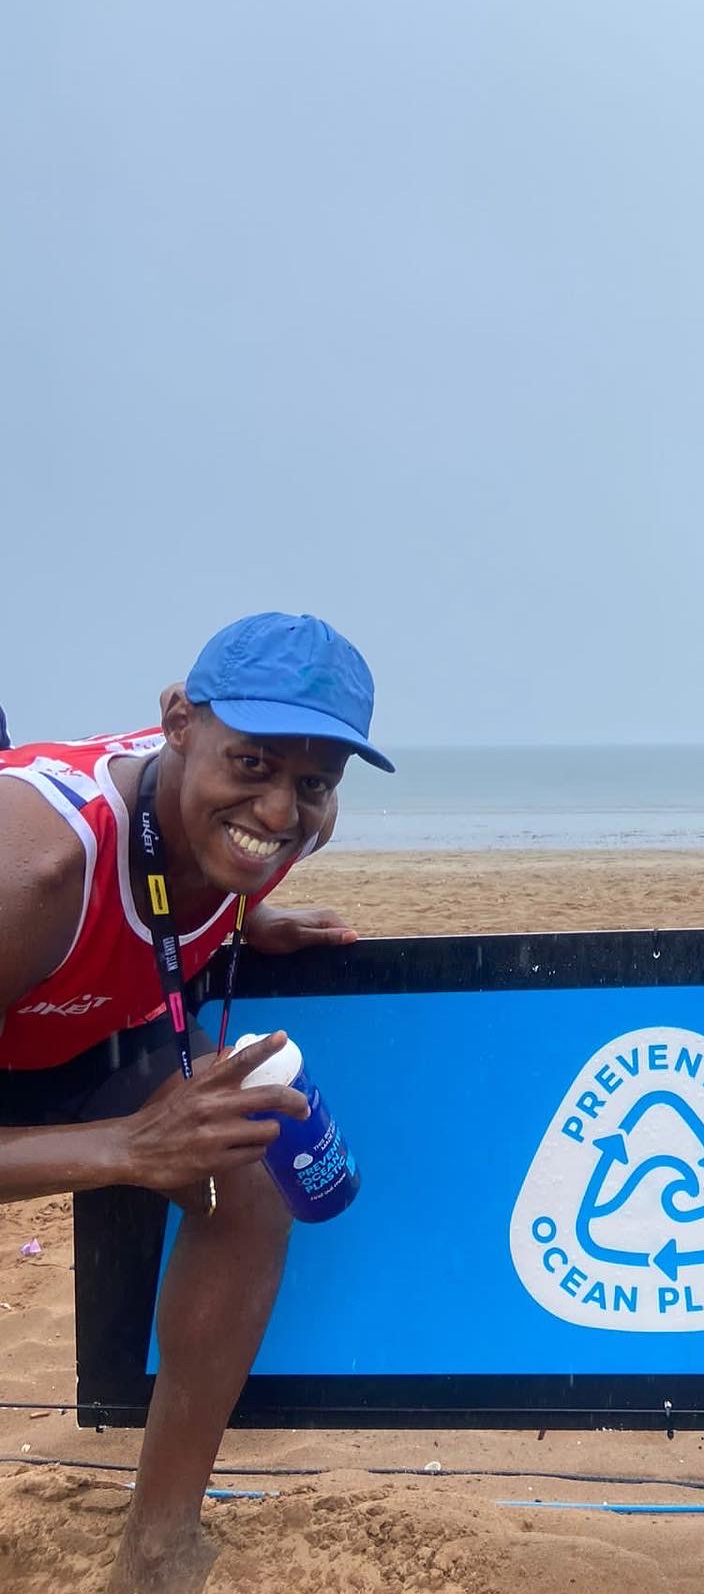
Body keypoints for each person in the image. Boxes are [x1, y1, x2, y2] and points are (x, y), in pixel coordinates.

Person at [0, 611, 394, 1594]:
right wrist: (124, 1147)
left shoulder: (271, 828)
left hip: (70, 1034)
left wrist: (249, 916)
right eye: (251, 763)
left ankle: (161, 1543)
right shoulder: (36, 871)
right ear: (177, 720)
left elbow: (230, 838)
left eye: (314, 783)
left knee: (246, 1164)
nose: (279, 808)